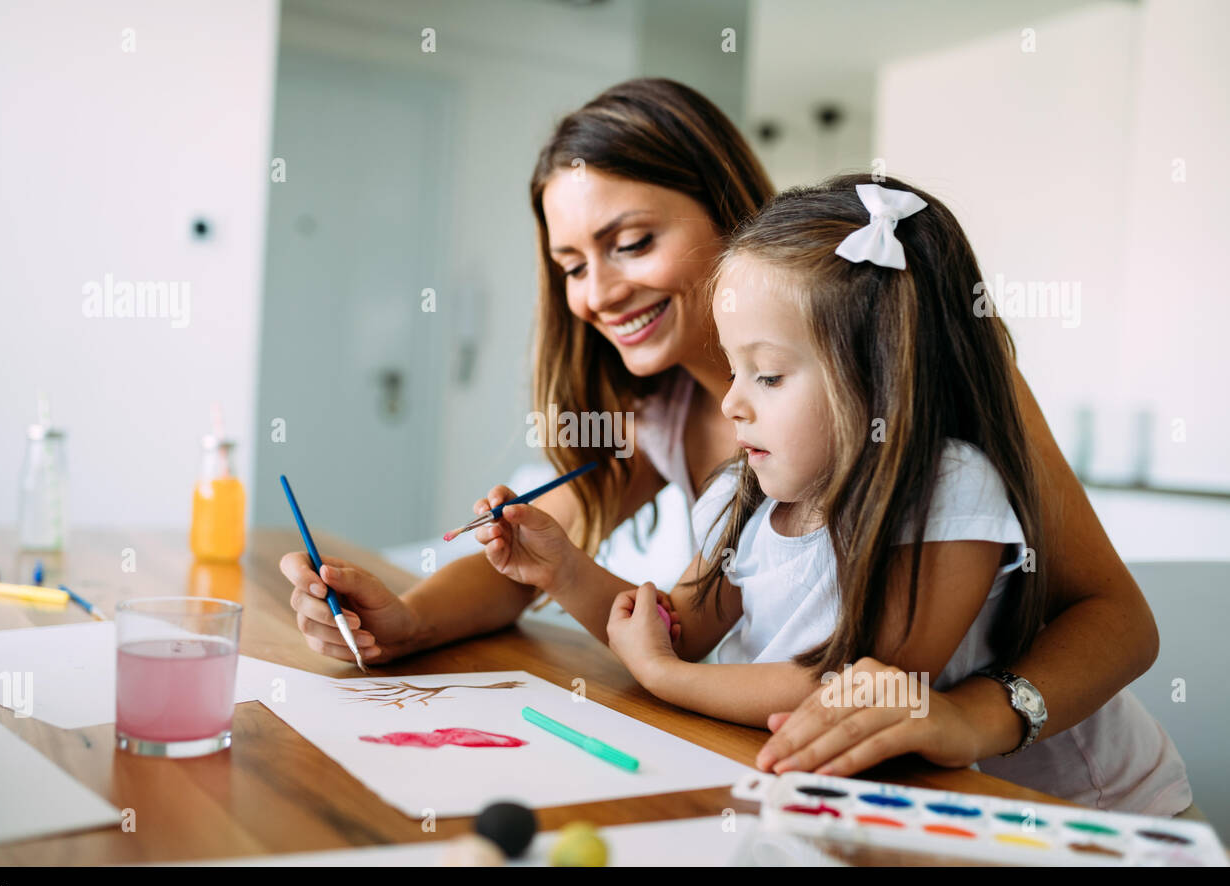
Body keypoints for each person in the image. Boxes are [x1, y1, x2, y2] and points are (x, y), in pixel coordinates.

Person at [281, 78, 1162, 782]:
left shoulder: (927, 378)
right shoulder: (662, 412)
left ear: (730, 214)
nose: (598, 294)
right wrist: (403, 622)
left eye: (632, 242)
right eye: (570, 265)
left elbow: (1117, 620)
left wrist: (970, 716)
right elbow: (541, 560)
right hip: (851, 779)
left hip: (1038, 791)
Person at [598, 175, 1190, 814]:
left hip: (1090, 813)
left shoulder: (946, 484)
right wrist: (573, 578)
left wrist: (666, 675)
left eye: (767, 374)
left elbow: (856, 689)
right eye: (736, 369)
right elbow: (679, 627)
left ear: (880, 375)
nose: (731, 403)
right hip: (920, 800)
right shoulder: (752, 492)